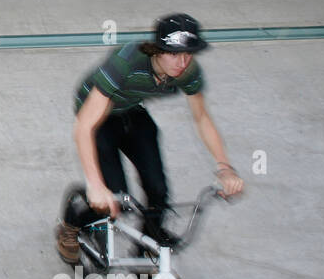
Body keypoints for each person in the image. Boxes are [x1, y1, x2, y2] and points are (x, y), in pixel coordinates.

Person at [55, 14, 245, 265]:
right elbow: (84, 127)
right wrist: (95, 185)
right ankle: (71, 224)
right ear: (157, 50)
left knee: (158, 190)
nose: (182, 62)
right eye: (174, 54)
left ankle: (147, 244)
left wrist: (225, 167)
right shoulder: (125, 64)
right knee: (114, 199)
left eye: (188, 54)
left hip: (132, 110)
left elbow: (202, 118)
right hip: (98, 115)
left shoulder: (188, 71)